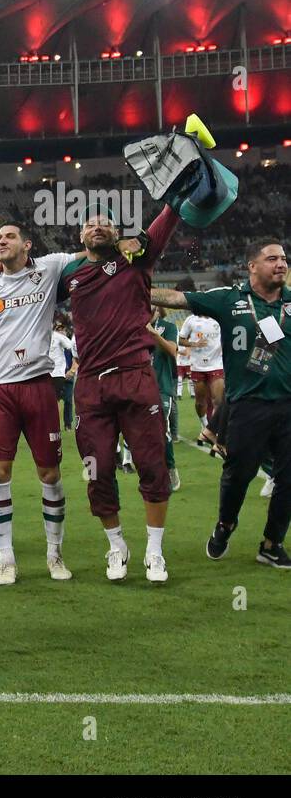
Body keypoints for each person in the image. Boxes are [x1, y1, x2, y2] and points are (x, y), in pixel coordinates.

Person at [151, 239, 291, 569]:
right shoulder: (230, 299)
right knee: (238, 475)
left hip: (288, 406)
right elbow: (175, 298)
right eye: (272, 259)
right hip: (247, 406)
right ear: (252, 266)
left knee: (289, 479)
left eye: (284, 258)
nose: (281, 264)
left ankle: (272, 543)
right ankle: (225, 525)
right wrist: (126, 283)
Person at [58, 205, 179, 583]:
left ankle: (154, 551)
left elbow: (164, 225)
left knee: (153, 465)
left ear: (117, 232)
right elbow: (24, 275)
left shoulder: (136, 262)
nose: (97, 227)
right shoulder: (70, 276)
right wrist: (1, 268)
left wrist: (176, 196)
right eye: (90, 224)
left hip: (135, 378)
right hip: (91, 386)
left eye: (105, 223)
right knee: (97, 471)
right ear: (80, 236)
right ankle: (116, 545)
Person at [0, 223, 73, 586]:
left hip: (39, 386)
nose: (0, 241)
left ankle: (54, 555)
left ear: (27, 244)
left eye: (8, 236)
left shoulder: (50, 268)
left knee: (50, 474)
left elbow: (89, 256)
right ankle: (6, 559)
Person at [146, 305, 182, 492]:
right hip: (138, 388)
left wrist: (154, 334)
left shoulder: (168, 327)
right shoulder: (134, 327)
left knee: (161, 427)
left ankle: (170, 468)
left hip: (161, 386)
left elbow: (172, 351)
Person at [179, 312, 224, 445]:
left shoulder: (218, 316)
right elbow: (180, 339)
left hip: (216, 364)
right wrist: (194, 344)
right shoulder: (190, 320)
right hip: (198, 366)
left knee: (218, 401)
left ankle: (214, 430)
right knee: (200, 403)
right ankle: (205, 426)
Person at [49, 318, 77, 430]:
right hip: (47, 373)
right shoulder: (43, 336)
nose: (60, 331)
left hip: (61, 374)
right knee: (49, 401)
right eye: (58, 329)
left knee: (62, 400)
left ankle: (63, 424)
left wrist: (73, 369)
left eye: (62, 329)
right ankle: (51, 423)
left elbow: (73, 349)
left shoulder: (60, 339)